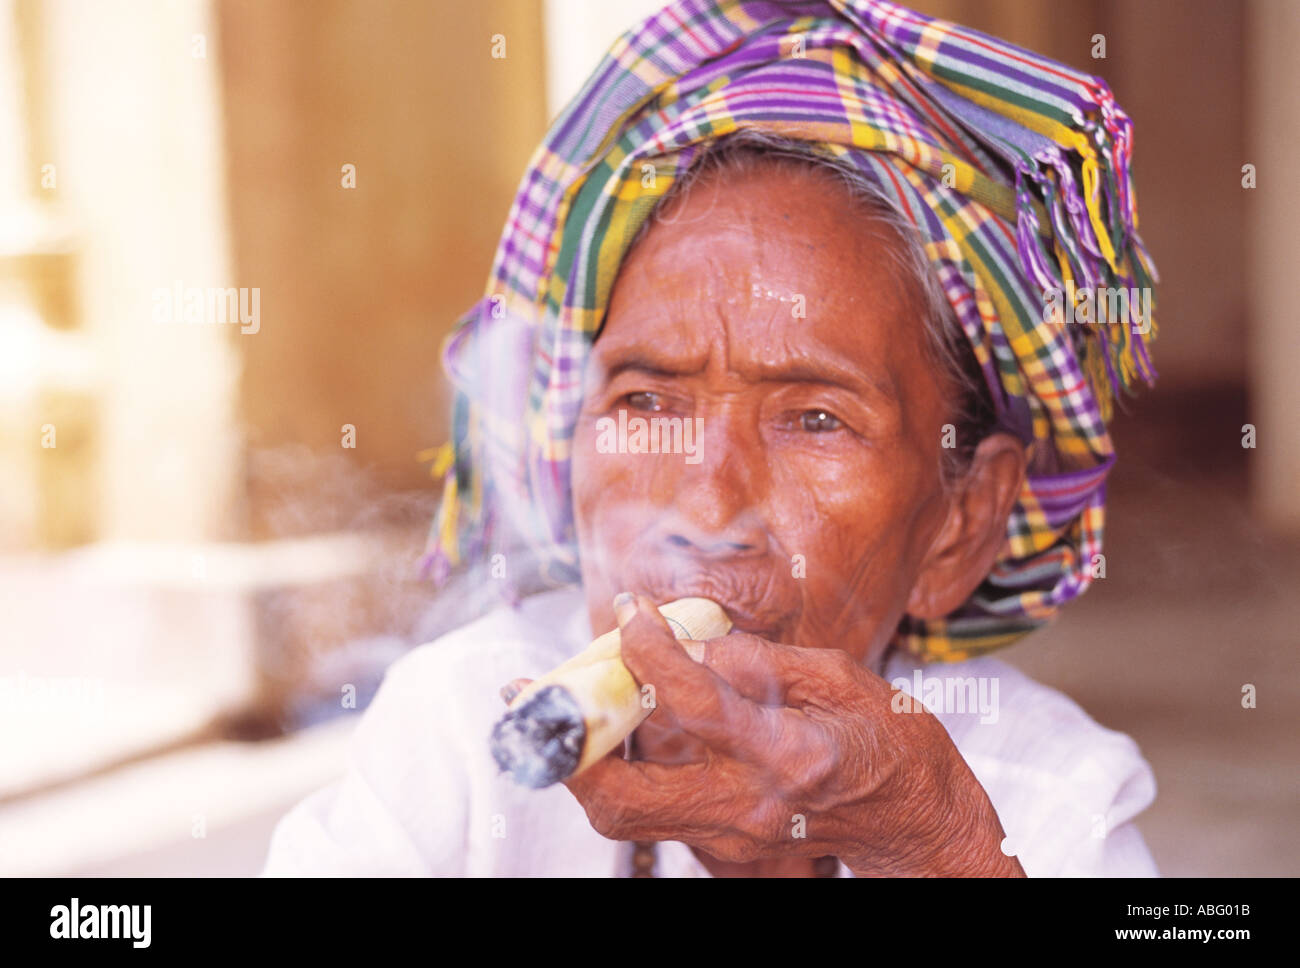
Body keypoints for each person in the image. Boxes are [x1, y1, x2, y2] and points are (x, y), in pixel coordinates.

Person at [264, 0, 1160, 877]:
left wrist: (938, 854)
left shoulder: (1047, 807)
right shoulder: (463, 733)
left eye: (817, 419)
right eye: (648, 402)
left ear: (961, 521)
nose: (707, 505)